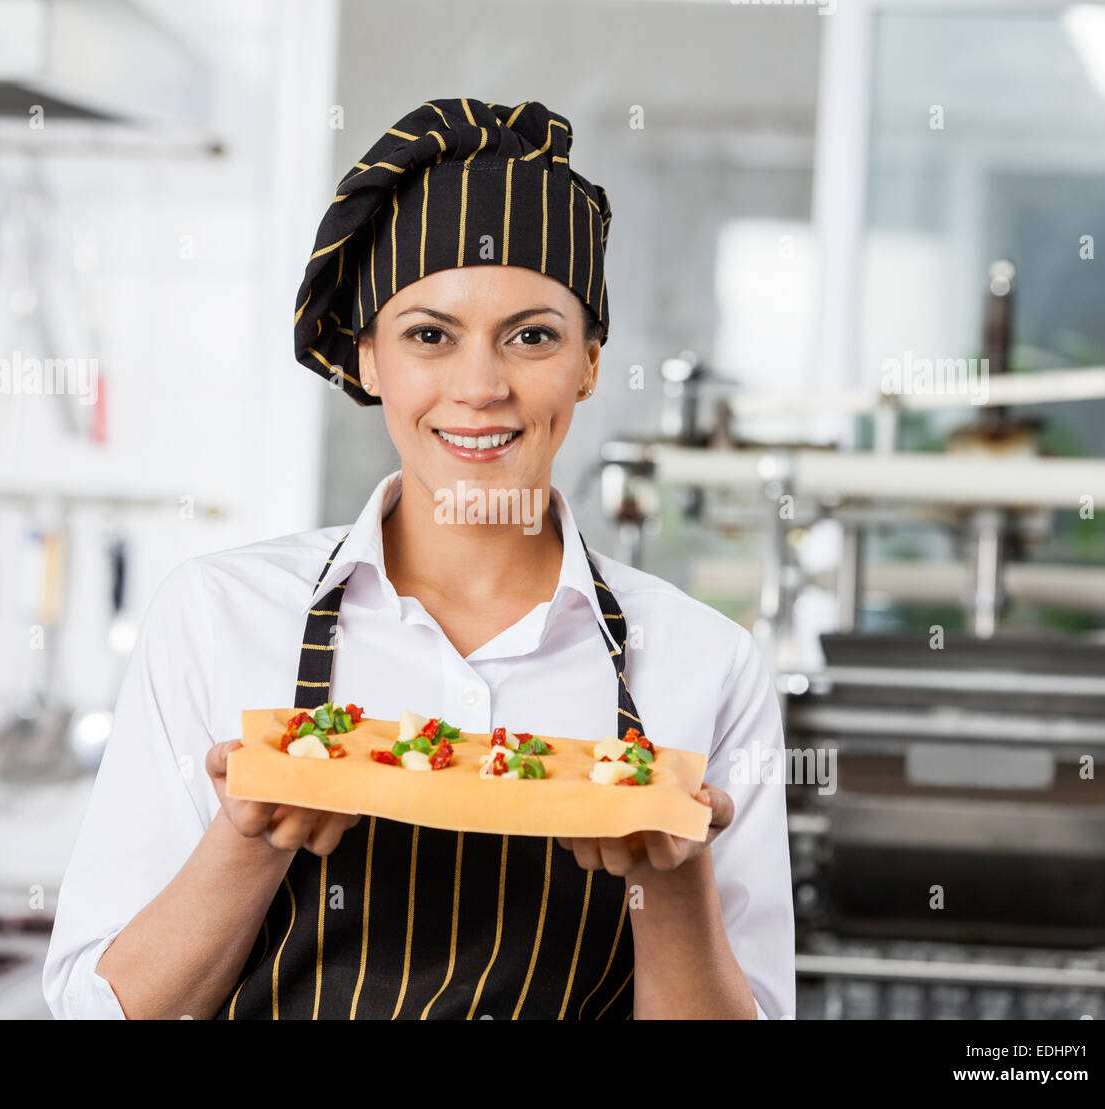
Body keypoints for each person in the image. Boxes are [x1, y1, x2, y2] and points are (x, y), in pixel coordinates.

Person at [43, 97, 795, 1020]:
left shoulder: (705, 665)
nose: (480, 388)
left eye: (533, 335)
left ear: (591, 362)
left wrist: (672, 881)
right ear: (366, 359)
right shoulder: (218, 616)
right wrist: (252, 839)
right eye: (429, 335)